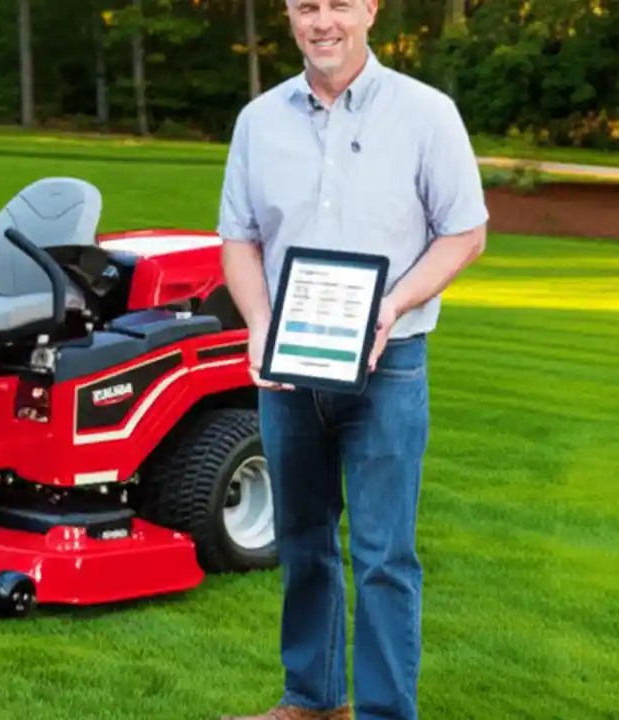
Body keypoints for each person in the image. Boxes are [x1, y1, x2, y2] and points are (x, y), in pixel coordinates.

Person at [216, 1, 489, 719]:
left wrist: (392, 305)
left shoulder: (427, 114)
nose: (323, 21)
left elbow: (465, 234)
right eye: (307, 5)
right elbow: (239, 239)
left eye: (340, 2)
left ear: (370, 8)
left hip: (388, 366)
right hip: (286, 370)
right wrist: (258, 324)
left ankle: (384, 714)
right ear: (288, 14)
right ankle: (311, 700)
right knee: (302, 542)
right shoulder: (259, 121)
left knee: (383, 557)